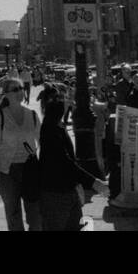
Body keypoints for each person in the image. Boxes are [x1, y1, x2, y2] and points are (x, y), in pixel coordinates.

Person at [0, 77, 42, 231]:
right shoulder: (0, 116)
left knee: (35, 216)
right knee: (13, 217)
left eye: (20, 88)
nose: (20, 92)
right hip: (8, 172)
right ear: (6, 95)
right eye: (15, 89)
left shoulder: (32, 115)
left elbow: (43, 142)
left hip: (30, 169)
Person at [38, 93, 88, 231]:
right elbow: (66, 162)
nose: (68, 104)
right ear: (59, 109)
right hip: (56, 194)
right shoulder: (50, 131)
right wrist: (93, 181)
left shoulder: (56, 127)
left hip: (67, 190)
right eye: (65, 103)